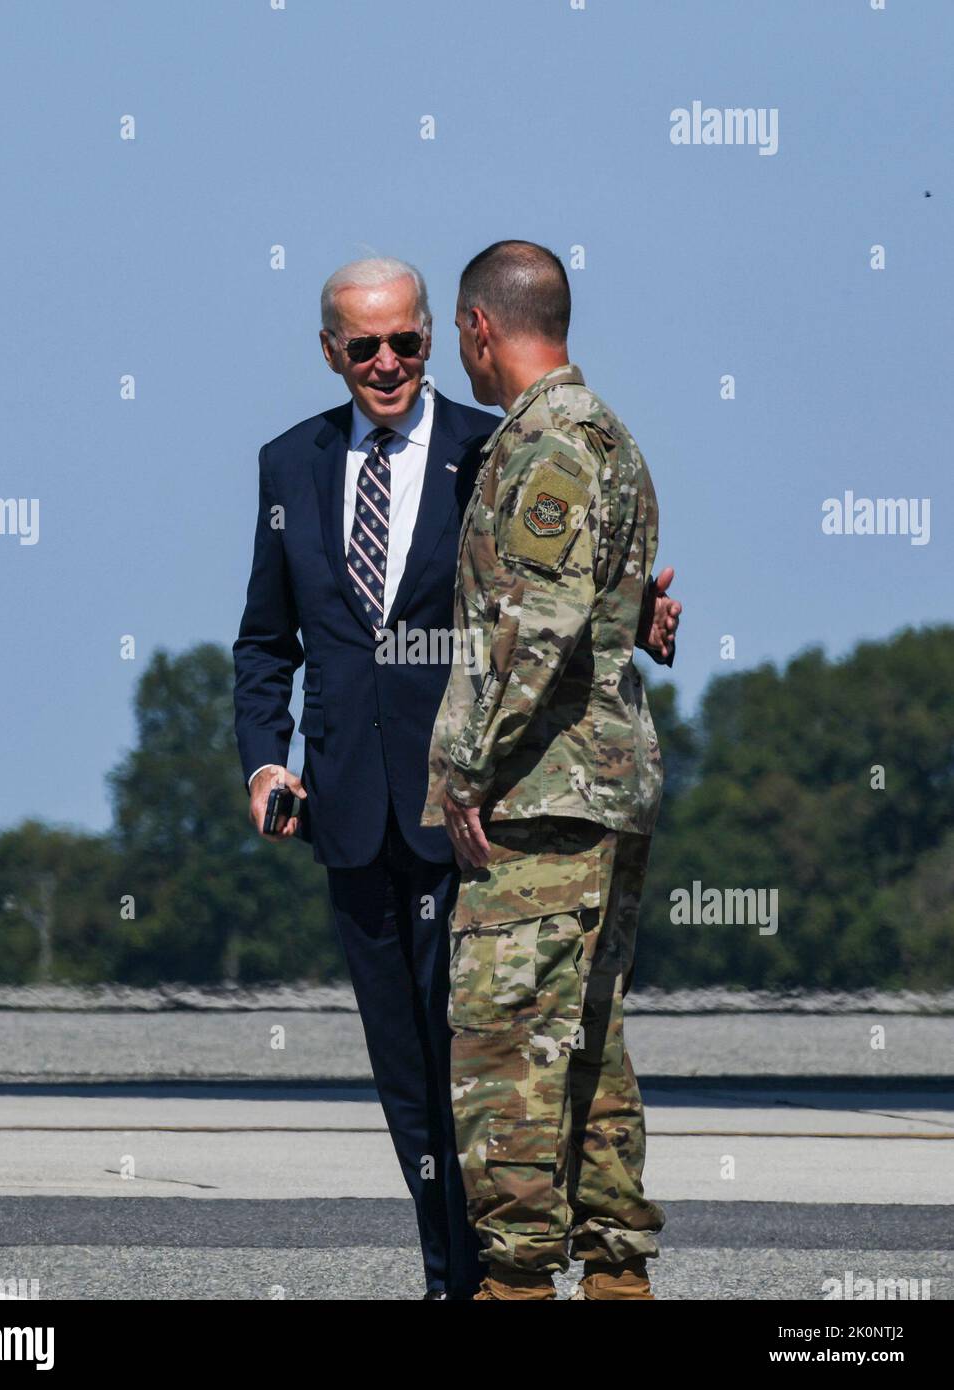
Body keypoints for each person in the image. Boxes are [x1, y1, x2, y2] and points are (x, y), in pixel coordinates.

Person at [233, 256, 680, 1300]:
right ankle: (454, 1277)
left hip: (477, 820)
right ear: (329, 352)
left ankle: (511, 1276)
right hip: (349, 808)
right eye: (364, 347)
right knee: (412, 1079)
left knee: (495, 1066)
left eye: (407, 341)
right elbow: (266, 639)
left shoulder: (502, 443)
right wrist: (266, 758)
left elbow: (550, 594)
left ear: (450, 333)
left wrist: (636, 623)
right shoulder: (288, 466)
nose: (387, 363)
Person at [422, 240, 669, 1301]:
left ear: (480, 329)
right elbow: (610, 609)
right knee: (588, 1046)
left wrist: (467, 775)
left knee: (507, 1053)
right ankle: (615, 1274)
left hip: (543, 799)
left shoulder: (550, 449)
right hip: (598, 794)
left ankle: (518, 1285)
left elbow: (535, 627)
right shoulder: (606, 435)